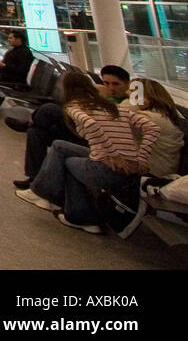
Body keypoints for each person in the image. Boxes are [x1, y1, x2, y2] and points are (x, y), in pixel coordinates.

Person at [15, 73, 160, 233]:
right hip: (128, 169)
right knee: (59, 147)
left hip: (108, 167)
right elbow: (152, 129)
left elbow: (90, 124)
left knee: (66, 158)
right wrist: (141, 158)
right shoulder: (116, 108)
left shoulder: (75, 107)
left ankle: (44, 195)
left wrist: (112, 153)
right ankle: (80, 217)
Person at [14, 64, 132, 189]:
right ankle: (34, 178)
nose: (110, 88)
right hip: (81, 130)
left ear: (127, 84)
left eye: (116, 84)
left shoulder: (129, 102)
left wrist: (102, 99)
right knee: (36, 133)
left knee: (50, 109)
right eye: (106, 83)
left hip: (95, 140)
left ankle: (28, 124)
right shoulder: (100, 93)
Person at [129, 78, 185, 177]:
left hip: (152, 174)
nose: (130, 97)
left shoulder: (152, 118)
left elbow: (116, 126)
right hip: (158, 169)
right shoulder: (163, 115)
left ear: (149, 97)